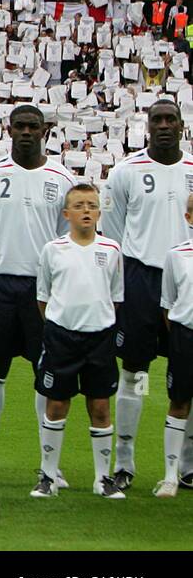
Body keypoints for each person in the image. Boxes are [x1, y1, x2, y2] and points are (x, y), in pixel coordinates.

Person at [0, 105, 73, 488]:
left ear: (45, 131)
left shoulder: (62, 178)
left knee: (46, 376)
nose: (26, 132)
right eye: (20, 126)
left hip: (43, 292)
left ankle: (49, 465)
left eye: (33, 127)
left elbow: (66, 237)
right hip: (0, 287)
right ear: (8, 130)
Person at [100, 99, 193, 490]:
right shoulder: (126, 172)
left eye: (172, 119)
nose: (165, 126)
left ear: (183, 126)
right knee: (134, 372)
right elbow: (115, 231)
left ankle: (186, 467)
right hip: (141, 278)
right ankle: (124, 463)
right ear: (147, 127)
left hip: (188, 278)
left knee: (189, 378)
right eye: (158, 120)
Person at [32, 183, 126, 499]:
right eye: (79, 205)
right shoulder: (53, 249)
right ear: (66, 213)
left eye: (92, 205)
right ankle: (47, 476)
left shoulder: (112, 250)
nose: (86, 210)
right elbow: (43, 298)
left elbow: (115, 297)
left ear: (100, 212)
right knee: (57, 404)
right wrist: (63, 325)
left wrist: (96, 322)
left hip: (99, 338)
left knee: (100, 406)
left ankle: (102, 478)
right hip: (62, 337)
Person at [156, 195, 193, 497]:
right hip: (185, 336)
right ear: (188, 218)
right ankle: (170, 475)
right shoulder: (176, 256)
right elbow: (168, 304)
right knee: (179, 402)